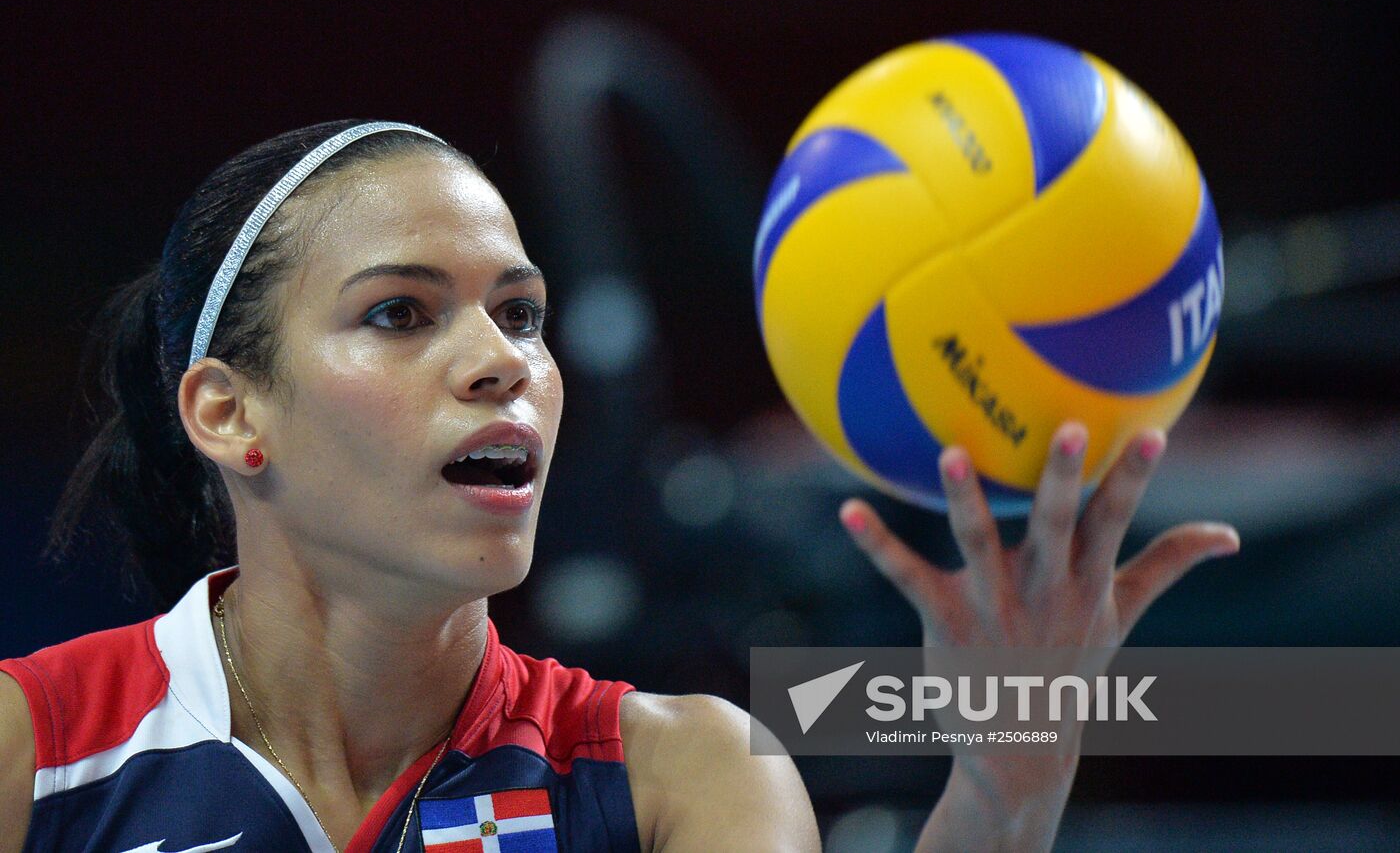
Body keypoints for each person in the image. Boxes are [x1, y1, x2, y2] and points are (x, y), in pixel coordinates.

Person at [0, 120, 1239, 852]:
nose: (504, 362)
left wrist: (999, 795)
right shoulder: (36, 750)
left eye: (521, 312)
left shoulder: (681, 774)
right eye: (399, 312)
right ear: (229, 410)